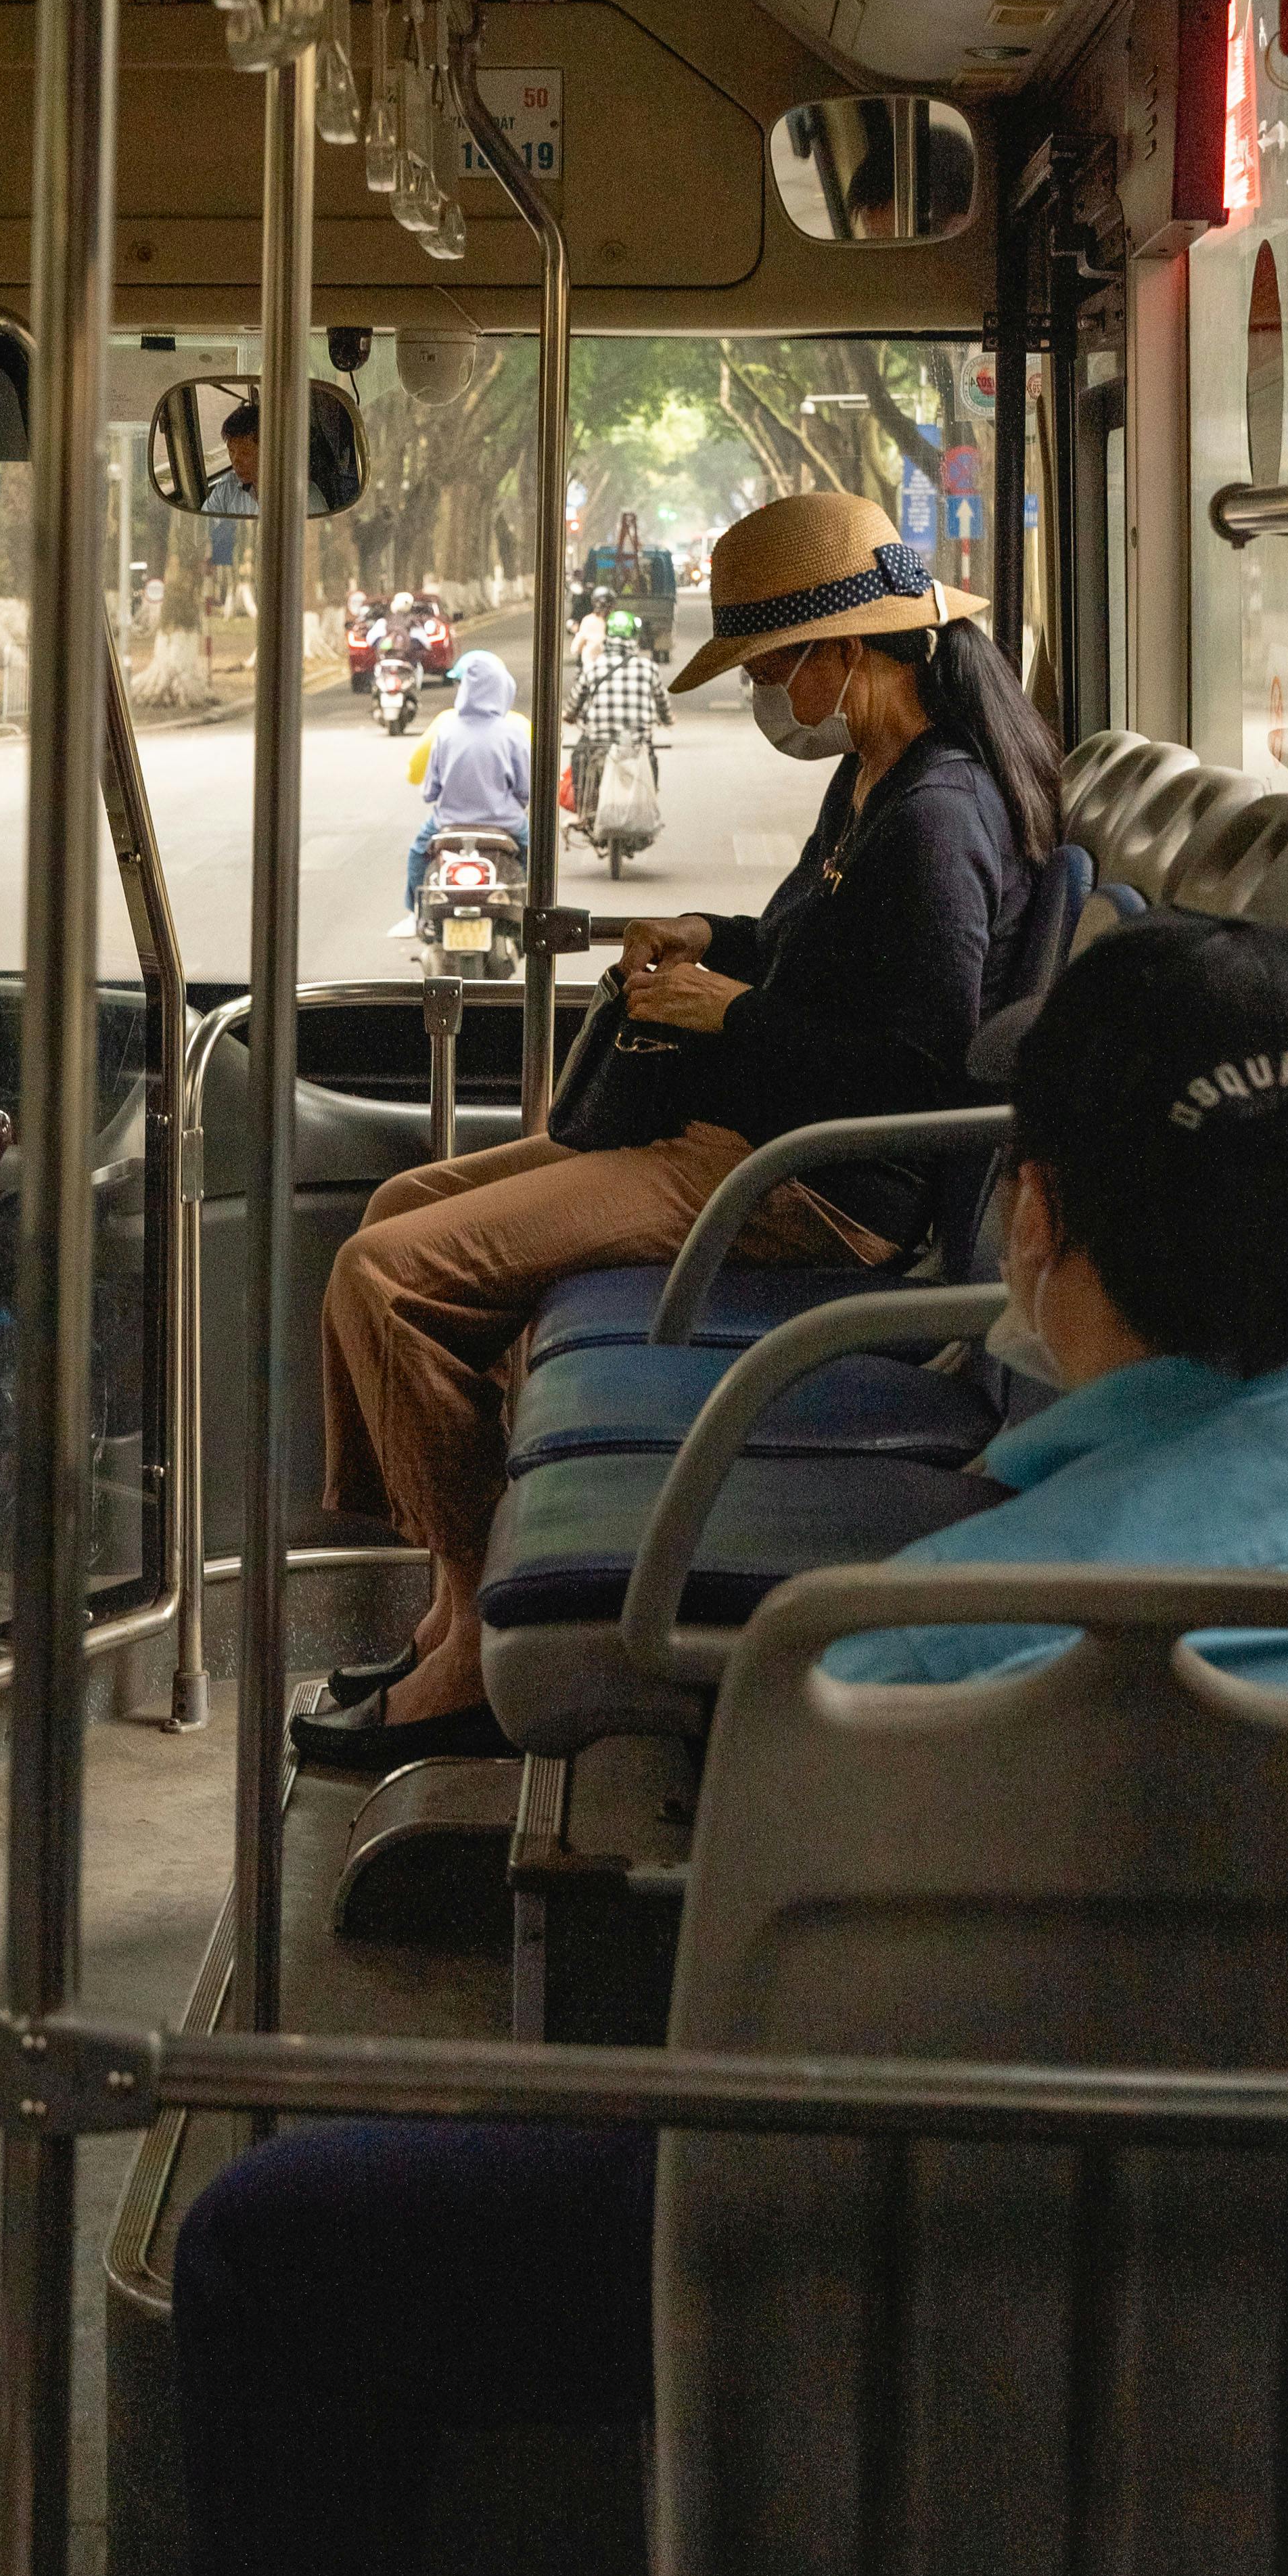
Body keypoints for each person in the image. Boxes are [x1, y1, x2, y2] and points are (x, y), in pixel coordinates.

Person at [177, 915, 1288, 2576]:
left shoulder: (899, 1660)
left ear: (1032, 1218)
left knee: (273, 2248)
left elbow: (754, 2100)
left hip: (939, 2306)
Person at [303, 490, 1060, 1770]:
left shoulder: (936, 818)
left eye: (767, 668)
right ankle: (450, 1604)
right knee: (394, 1211)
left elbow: (917, 1075)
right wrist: (715, 939)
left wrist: (730, 1013)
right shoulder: (872, 779)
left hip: (803, 1186)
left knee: (386, 1276)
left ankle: (472, 1645)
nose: (765, 695)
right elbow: (820, 955)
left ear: (842, 650)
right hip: (742, 1139)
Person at [393, 648, 530, 934]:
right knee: (534, 855)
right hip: (505, 826)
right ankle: (531, 916)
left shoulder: (446, 731)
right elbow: (525, 790)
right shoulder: (513, 734)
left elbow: (430, 792)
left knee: (418, 853)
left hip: (448, 825)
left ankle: (415, 914)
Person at [564, 598, 673, 822]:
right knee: (651, 760)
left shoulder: (593, 667)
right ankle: (650, 803)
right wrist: (667, 719)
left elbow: (574, 703)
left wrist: (570, 716)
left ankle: (583, 812)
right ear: (635, 637)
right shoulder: (648, 668)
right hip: (637, 742)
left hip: (599, 742)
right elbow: (662, 702)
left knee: (578, 757)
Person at [201, 399, 260, 516]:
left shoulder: (293, 492)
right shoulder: (226, 490)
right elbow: (205, 524)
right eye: (231, 451)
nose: (236, 461)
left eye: (245, 452)